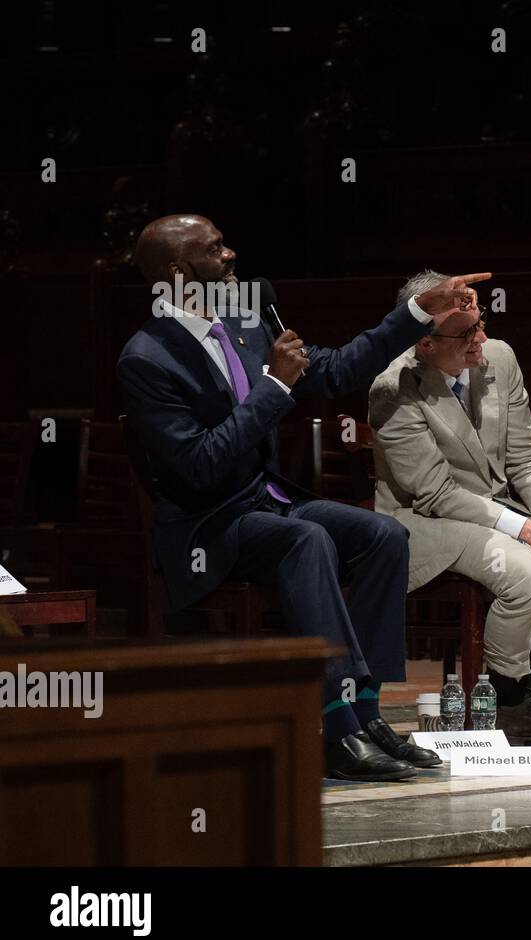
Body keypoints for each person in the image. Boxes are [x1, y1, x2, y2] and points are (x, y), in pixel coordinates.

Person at [117, 213, 490, 780]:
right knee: (305, 539)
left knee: (384, 534)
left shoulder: (244, 317)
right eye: (215, 249)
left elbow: (334, 371)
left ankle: (366, 714)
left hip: (265, 503)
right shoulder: (147, 358)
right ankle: (334, 727)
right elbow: (197, 467)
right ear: (177, 270)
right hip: (208, 523)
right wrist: (272, 387)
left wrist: (418, 315)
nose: (231, 255)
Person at [368, 269, 531, 747]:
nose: (482, 339)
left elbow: (525, 457)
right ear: (425, 343)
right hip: (423, 522)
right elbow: (434, 493)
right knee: (528, 574)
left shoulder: (499, 358)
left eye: (481, 322)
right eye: (467, 333)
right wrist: (530, 534)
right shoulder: (393, 387)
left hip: (496, 512)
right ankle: (506, 702)